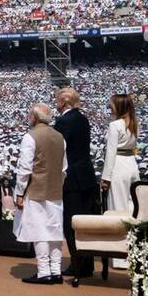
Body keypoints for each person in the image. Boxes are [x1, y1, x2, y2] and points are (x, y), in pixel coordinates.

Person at [13, 103, 67, 284]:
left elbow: (25, 169)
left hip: (36, 189)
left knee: (40, 231)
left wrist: (19, 193)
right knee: (55, 230)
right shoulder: (60, 137)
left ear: (35, 118)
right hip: (56, 189)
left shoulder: (30, 137)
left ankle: (44, 271)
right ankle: (56, 270)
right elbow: (64, 168)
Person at [53, 87, 98, 277]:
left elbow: (56, 146)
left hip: (72, 178)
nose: (56, 104)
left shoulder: (65, 121)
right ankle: (86, 263)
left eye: (57, 100)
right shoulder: (82, 118)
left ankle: (78, 263)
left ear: (63, 102)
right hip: (86, 175)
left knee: (71, 222)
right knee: (85, 220)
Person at [101, 93, 140, 213]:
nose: (110, 107)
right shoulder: (135, 124)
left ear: (119, 106)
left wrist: (106, 178)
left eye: (112, 105)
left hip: (118, 167)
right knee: (133, 202)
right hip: (132, 165)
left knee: (117, 205)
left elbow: (111, 153)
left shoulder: (114, 125)